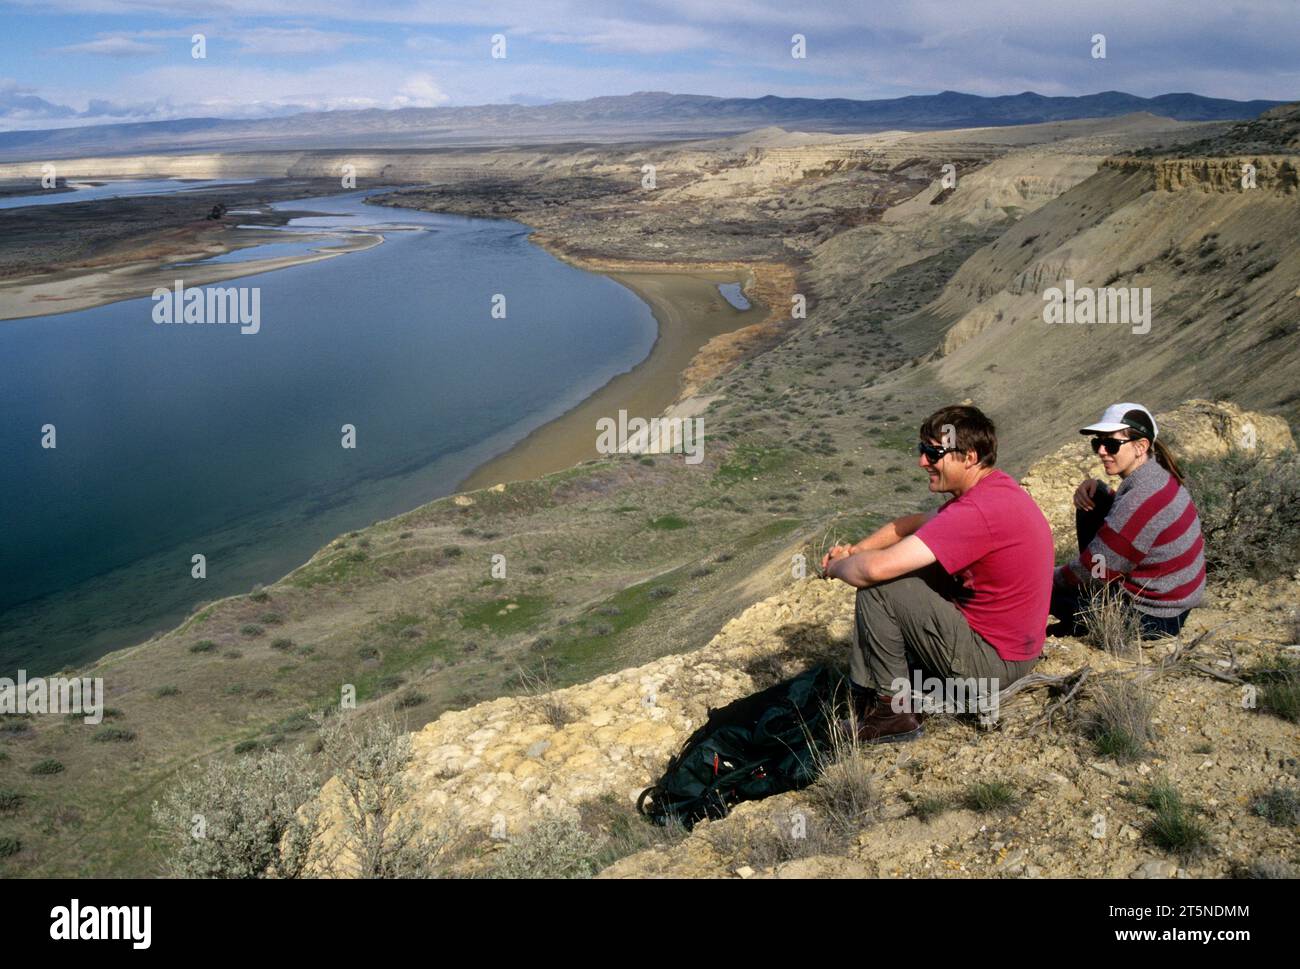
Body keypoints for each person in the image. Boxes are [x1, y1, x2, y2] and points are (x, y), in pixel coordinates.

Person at [821, 405, 1054, 744]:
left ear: (969, 457)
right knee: (917, 566)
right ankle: (869, 697)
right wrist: (854, 551)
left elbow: (873, 570)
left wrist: (835, 567)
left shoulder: (977, 512)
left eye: (933, 452)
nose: (922, 461)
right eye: (922, 450)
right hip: (1013, 652)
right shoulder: (994, 490)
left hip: (994, 665)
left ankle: (891, 712)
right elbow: (911, 524)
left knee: (881, 587)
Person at [1050, 403, 1205, 638]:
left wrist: (1047, 577)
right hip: (1173, 603)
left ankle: (1084, 621)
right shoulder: (1155, 477)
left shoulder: (1142, 497)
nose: (1102, 451)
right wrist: (1100, 491)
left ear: (1141, 446)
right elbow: (1129, 526)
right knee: (1093, 504)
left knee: (1038, 589)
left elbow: (1093, 570)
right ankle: (1088, 607)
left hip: (1153, 619)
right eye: (1097, 443)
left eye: (1111, 444)